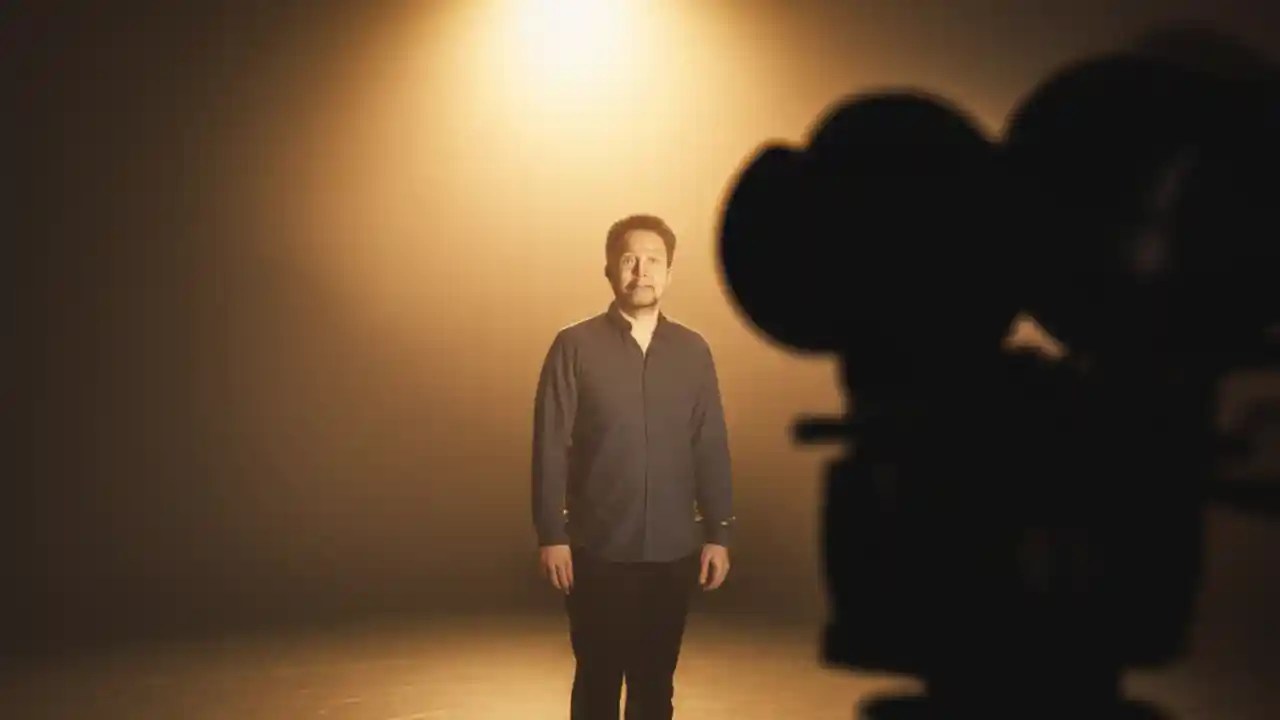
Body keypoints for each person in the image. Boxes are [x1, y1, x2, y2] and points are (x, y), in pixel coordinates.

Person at [532, 214, 735, 719]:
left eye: (653, 261)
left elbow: (709, 444)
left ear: (669, 272)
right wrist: (551, 534)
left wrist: (719, 532)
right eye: (629, 259)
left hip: (673, 550)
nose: (641, 271)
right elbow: (550, 445)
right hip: (596, 548)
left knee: (655, 684)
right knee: (597, 680)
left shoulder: (692, 350)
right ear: (608, 269)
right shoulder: (574, 346)